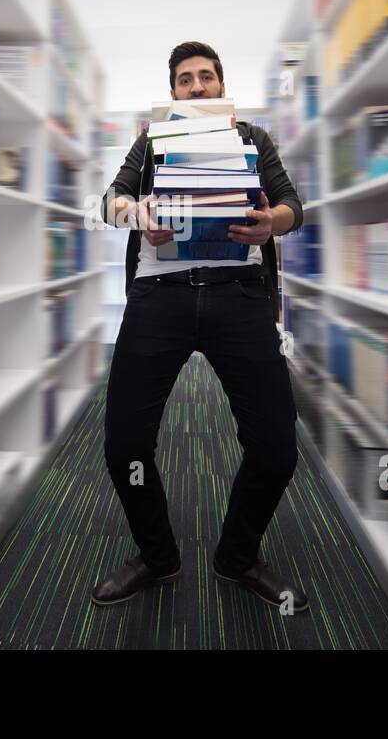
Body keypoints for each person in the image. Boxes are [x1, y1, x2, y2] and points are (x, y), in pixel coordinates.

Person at [92, 40, 309, 613]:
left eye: (206, 76)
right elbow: (109, 201)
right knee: (124, 445)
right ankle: (158, 557)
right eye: (185, 79)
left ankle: (237, 556)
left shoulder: (253, 139)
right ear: (173, 92)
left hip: (239, 297)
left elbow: (293, 205)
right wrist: (136, 212)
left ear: (220, 85)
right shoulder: (152, 139)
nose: (196, 86)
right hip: (158, 298)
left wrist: (271, 224)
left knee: (277, 446)